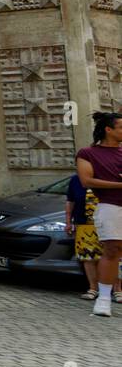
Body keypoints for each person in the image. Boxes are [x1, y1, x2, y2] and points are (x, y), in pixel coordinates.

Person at [75, 112, 122, 318]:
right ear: (108, 129)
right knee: (112, 250)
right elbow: (87, 180)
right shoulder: (88, 153)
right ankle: (103, 299)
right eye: (121, 127)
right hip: (110, 205)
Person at [65, 174, 118, 302]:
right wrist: (68, 221)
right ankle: (93, 288)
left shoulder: (112, 175)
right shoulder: (76, 179)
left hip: (111, 221)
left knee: (116, 255)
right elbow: (70, 201)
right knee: (88, 256)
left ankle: (118, 290)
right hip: (85, 223)